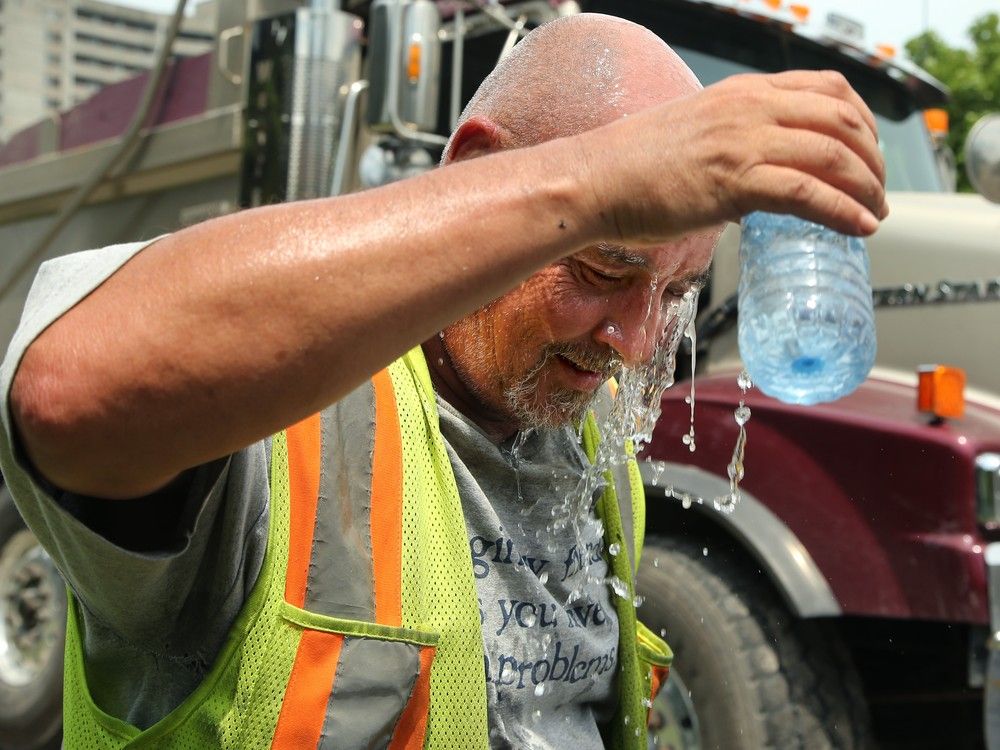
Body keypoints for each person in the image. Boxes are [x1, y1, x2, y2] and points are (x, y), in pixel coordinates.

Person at [0, 12, 887, 750]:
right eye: (605, 266)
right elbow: (66, 391)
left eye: (676, 293)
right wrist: (598, 179)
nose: (634, 341)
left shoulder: (590, 439)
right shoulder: (275, 425)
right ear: (478, 172)